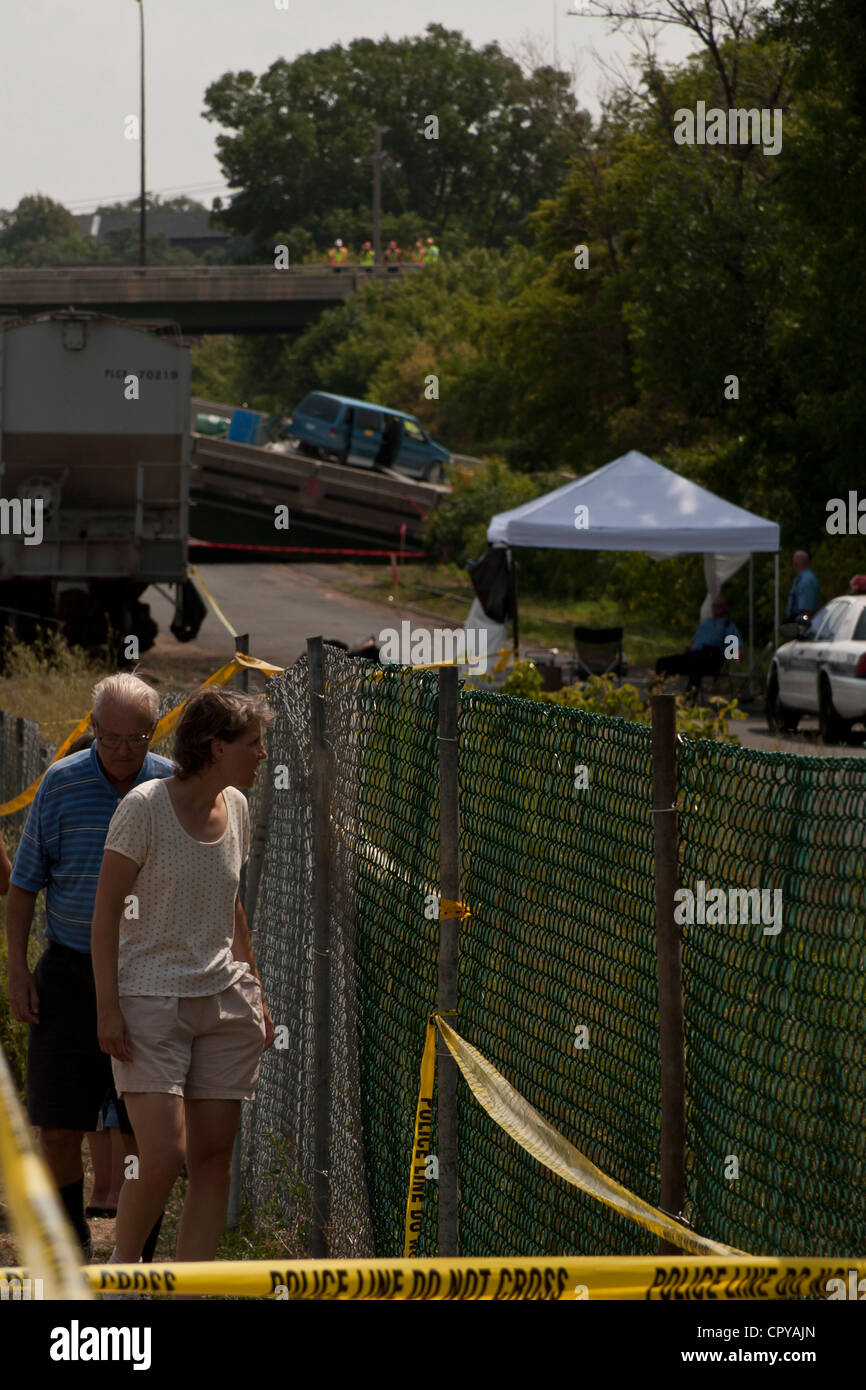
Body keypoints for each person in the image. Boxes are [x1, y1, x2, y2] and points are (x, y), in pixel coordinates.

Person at [92, 688, 275, 1281]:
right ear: (215, 746)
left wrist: (256, 989)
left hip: (223, 1001)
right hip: (149, 999)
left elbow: (232, 905)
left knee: (213, 1159)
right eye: (253, 744)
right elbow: (105, 912)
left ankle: (189, 1292)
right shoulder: (144, 807)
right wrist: (107, 1010)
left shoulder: (238, 809)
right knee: (163, 1155)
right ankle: (123, 1275)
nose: (263, 755)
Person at [5, 674, 172, 1258]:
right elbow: (25, 883)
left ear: (156, 729)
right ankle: (72, 1247)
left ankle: (137, 1262)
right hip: (70, 971)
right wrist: (19, 970)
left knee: (142, 1133)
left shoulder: (172, 785)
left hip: (148, 977)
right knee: (55, 1125)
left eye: (138, 737)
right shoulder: (61, 783)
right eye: (111, 737)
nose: (125, 749)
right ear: (92, 727)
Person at [655, 596, 743, 695]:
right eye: (714, 606)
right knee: (662, 662)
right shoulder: (706, 623)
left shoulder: (729, 626)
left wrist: (736, 657)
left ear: (726, 608)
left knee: (696, 665)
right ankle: (654, 697)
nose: (716, 608)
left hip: (711, 659)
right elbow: (693, 642)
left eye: (720, 606)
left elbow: (737, 650)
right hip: (694, 655)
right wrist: (688, 649)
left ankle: (688, 703)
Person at [785, 550, 820, 619]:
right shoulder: (804, 578)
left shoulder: (805, 581)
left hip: (801, 622)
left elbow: (806, 610)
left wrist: (802, 626)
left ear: (795, 564)